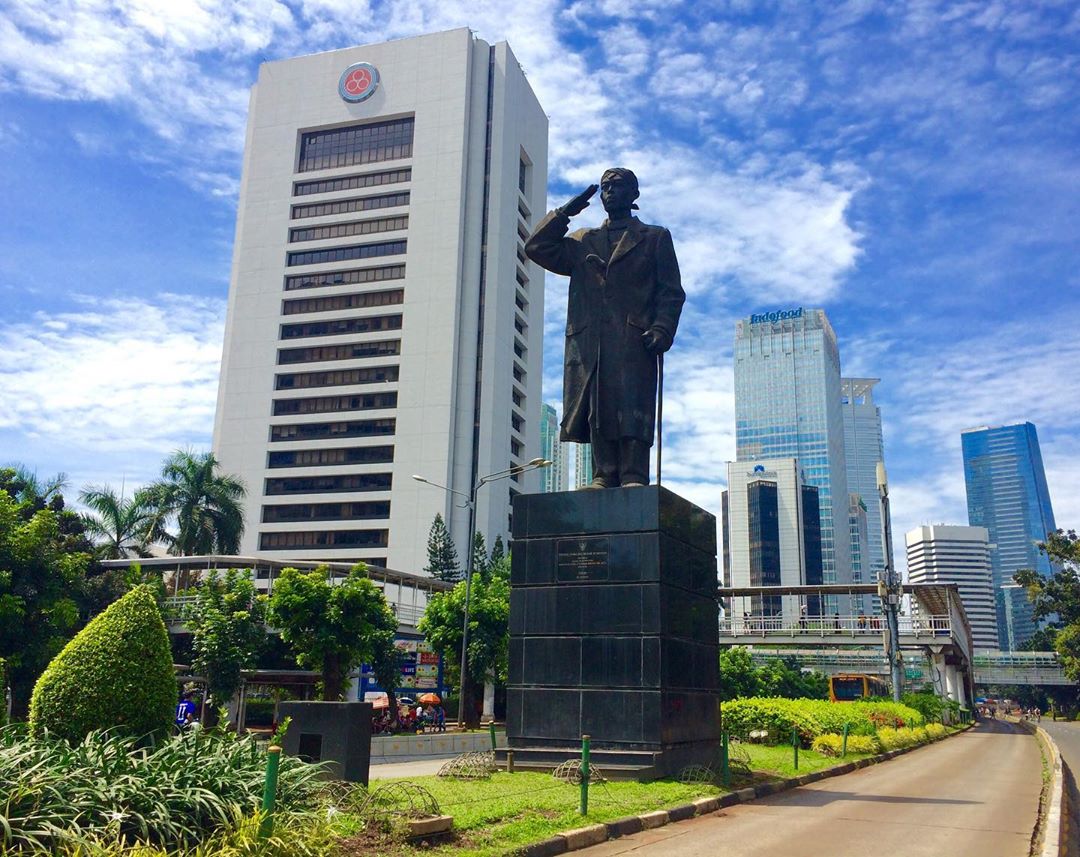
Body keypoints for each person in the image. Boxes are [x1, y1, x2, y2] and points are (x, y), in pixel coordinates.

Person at [525, 168, 685, 488]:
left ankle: (633, 473)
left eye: (617, 185)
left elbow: (671, 292)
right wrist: (563, 213)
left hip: (634, 337)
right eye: (605, 187)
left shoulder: (654, 237)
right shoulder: (582, 240)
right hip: (590, 340)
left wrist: (662, 328)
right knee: (596, 407)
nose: (609, 191)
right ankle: (604, 472)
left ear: (634, 194)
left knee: (632, 405)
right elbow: (536, 247)